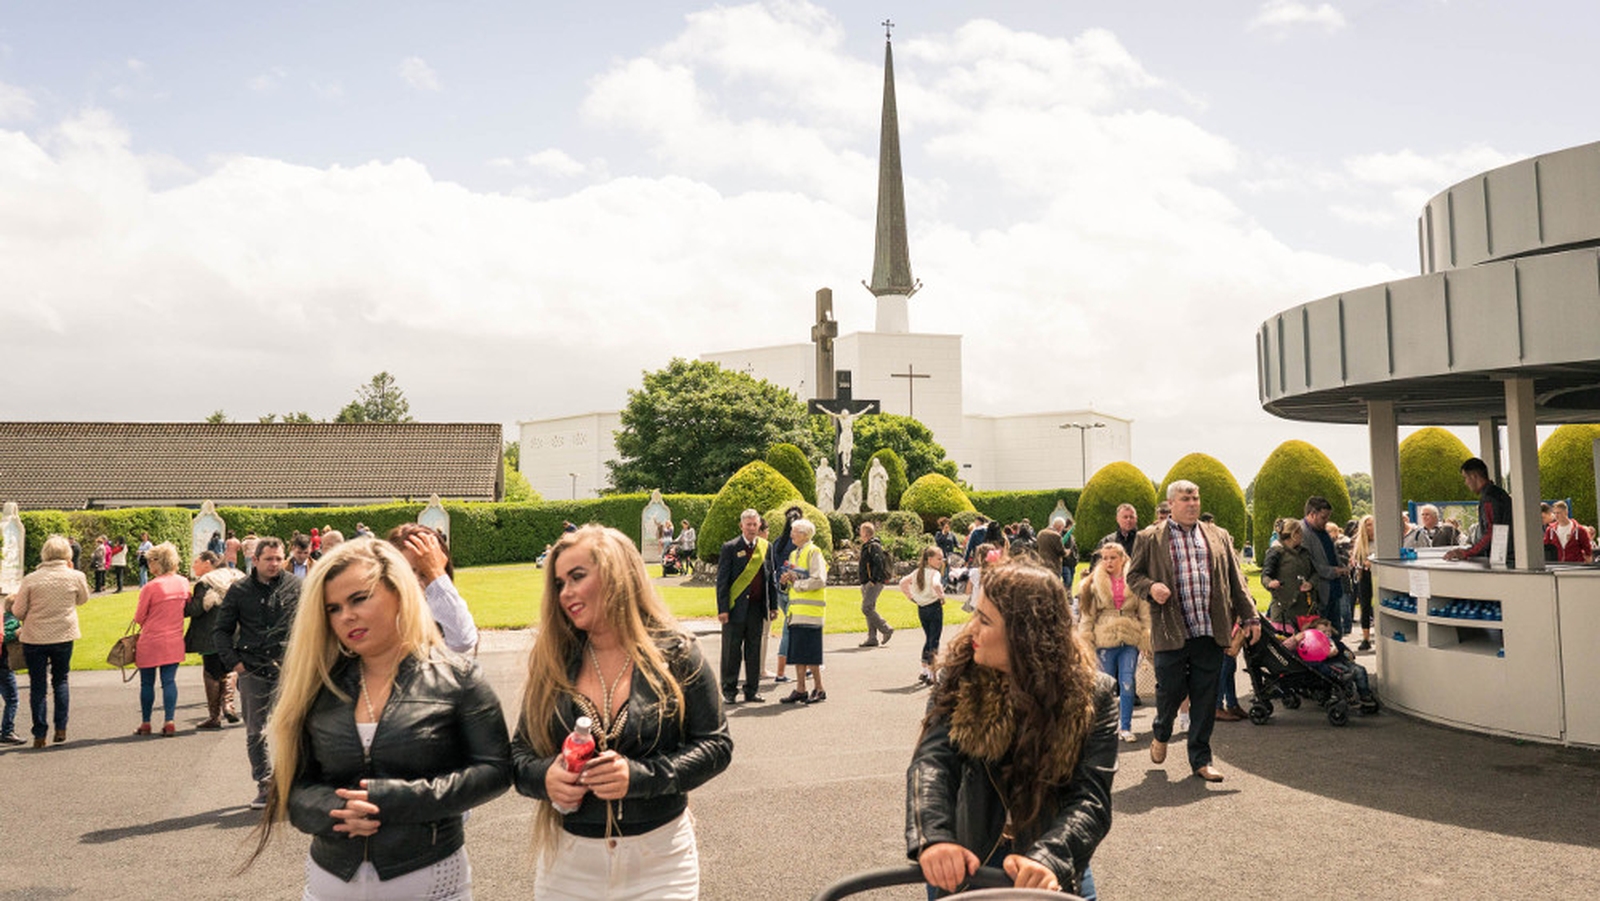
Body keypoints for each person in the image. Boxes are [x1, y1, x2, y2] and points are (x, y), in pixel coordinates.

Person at [246, 539, 512, 899]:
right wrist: (335, 809)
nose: (346, 616)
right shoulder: (316, 686)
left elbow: (495, 770)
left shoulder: (458, 677)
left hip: (431, 882)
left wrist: (401, 799)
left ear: (399, 593)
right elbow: (294, 790)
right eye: (333, 608)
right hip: (329, 884)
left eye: (359, 599)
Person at [511, 525, 732, 900]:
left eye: (577, 577)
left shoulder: (676, 653)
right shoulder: (552, 660)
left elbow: (716, 745)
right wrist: (545, 777)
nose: (565, 593)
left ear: (617, 573)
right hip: (569, 865)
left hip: (660, 860)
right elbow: (518, 755)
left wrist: (640, 777)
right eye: (560, 583)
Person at [906, 563, 1116, 898]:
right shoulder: (959, 678)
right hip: (968, 855)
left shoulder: (1092, 695)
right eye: (976, 613)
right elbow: (932, 764)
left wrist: (1049, 858)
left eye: (985, 620)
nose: (971, 628)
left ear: (1026, 636)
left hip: (1051, 854)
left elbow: (1090, 799)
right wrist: (934, 836)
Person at [1127, 480, 1261, 783]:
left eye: (1196, 498)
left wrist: (1251, 617)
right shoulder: (1150, 538)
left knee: (1204, 696)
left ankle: (1201, 759)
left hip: (1209, 630)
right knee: (1171, 690)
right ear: (1171, 504)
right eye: (1186, 499)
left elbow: (1236, 581)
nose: (1192, 504)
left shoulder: (1218, 536)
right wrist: (1151, 588)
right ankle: (1161, 731)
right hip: (1170, 629)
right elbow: (1133, 576)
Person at [214, 537, 302, 809]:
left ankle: (292, 782)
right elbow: (221, 631)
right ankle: (265, 784)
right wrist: (235, 664)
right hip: (252, 668)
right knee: (257, 731)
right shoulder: (239, 590)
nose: (274, 564)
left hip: (290, 668)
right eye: (268, 559)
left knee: (295, 729)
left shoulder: (297, 586)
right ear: (256, 561)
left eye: (278, 558)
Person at [9, 535, 91, 748]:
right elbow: (83, 599)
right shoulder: (76, 576)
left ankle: (39, 733)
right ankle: (61, 727)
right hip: (63, 634)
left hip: (35, 637)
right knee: (61, 680)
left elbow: (18, 611)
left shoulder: (31, 579)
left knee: (38, 686)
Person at [1077, 539, 1152, 742]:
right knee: (1105, 685)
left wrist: (1147, 635)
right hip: (1104, 637)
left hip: (1130, 635)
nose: (1108, 562)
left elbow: (1144, 611)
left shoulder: (1134, 581)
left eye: (1112, 558)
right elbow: (1087, 616)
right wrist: (1086, 642)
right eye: (1105, 558)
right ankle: (1104, 727)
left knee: (1127, 681)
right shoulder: (1092, 584)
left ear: (1122, 559)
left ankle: (1125, 726)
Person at [386, 524, 479, 654]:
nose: (416, 582)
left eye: (425, 574)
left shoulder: (439, 611)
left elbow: (462, 640)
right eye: (408, 572)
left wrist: (436, 573)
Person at [714, 509, 776, 705]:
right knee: (731, 652)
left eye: (754, 524)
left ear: (759, 526)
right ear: (741, 526)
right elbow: (722, 582)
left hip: (757, 608)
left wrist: (773, 606)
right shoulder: (730, 547)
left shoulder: (766, 547)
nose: (751, 528)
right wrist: (722, 608)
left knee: (754, 651)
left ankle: (752, 690)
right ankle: (729, 690)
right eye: (748, 524)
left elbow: (770, 579)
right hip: (734, 609)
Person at [133, 542, 188, 737]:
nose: (148, 565)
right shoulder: (183, 582)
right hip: (174, 639)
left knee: (147, 684)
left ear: (158, 562)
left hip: (151, 639)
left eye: (150, 561)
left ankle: (146, 722)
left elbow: (139, 617)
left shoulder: (151, 586)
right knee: (169, 681)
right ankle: (169, 720)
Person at [186, 551, 245, 730]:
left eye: (196, 561)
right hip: (236, 631)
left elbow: (197, 609)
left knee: (212, 671)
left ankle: (214, 716)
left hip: (211, 633)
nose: (194, 565)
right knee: (230, 667)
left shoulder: (206, 582)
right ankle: (229, 705)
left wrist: (184, 605)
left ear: (208, 562)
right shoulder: (238, 575)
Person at [1280, 617, 1380, 714]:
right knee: (1342, 671)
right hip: (1327, 665)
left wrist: (1348, 654)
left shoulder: (1335, 643)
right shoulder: (1308, 646)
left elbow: (1346, 652)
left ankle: (1365, 695)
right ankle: (1349, 695)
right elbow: (1286, 649)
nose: (1327, 634)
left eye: (1329, 632)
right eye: (1323, 632)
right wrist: (1297, 639)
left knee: (1359, 670)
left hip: (1342, 661)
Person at [778, 518, 828, 704]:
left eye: (794, 531)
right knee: (798, 651)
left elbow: (819, 579)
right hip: (796, 611)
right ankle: (801, 688)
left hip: (811, 612)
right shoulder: (793, 554)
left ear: (805, 534)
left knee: (810, 653)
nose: (791, 534)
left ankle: (819, 688)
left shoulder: (814, 552)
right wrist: (787, 580)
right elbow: (796, 579)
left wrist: (796, 583)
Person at [1447, 458, 1515, 564]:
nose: (1466, 483)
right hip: (1509, 555)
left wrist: (1467, 552)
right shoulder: (1498, 493)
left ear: (1474, 476)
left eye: (1466, 478)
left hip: (1504, 558)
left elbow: (1491, 532)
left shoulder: (1489, 499)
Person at [898, 546, 946, 685]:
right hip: (934, 607)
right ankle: (932, 673)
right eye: (938, 558)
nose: (941, 561)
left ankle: (924, 670)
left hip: (922, 608)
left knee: (928, 638)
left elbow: (902, 583)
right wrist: (942, 597)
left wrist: (911, 597)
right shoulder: (934, 573)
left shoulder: (917, 572)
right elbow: (936, 585)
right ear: (929, 559)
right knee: (934, 640)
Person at [1300, 497, 1348, 632]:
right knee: (1322, 633)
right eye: (1323, 517)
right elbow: (1309, 564)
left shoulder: (1322, 531)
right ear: (1312, 514)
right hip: (1319, 592)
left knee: (1336, 631)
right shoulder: (1303, 532)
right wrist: (1334, 571)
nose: (1326, 521)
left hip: (1334, 590)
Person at [767, 505, 804, 683]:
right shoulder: (798, 546)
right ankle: (780, 673)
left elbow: (773, 566)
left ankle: (803, 665)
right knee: (789, 630)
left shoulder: (777, 542)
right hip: (793, 590)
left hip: (778, 589)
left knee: (795, 628)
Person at [1261, 518, 1317, 630]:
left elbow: (1315, 573)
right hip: (1283, 610)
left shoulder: (1305, 553)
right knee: (1286, 644)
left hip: (1306, 609)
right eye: (1300, 532)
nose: (1303, 535)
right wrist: (1270, 583)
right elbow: (1265, 575)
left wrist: (1311, 583)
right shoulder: (1276, 552)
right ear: (1294, 534)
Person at [857, 522, 895, 647]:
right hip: (867, 582)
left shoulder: (873, 546)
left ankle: (886, 628)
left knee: (866, 608)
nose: (859, 534)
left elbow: (879, 563)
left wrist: (873, 580)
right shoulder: (868, 545)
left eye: (861, 532)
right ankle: (872, 638)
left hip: (873, 582)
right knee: (870, 609)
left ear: (866, 533)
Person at [1348, 515, 1377, 650]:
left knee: (1378, 605)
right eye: (1367, 525)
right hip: (1364, 575)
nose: (1370, 528)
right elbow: (1356, 561)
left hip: (1379, 575)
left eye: (1372, 524)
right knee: (1365, 605)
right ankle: (1365, 638)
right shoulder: (1359, 542)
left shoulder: (1381, 540)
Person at [0, 607, 20, 744]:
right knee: (12, 699)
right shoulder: (10, 620)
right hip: (2, 663)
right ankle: (7, 730)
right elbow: (4, 636)